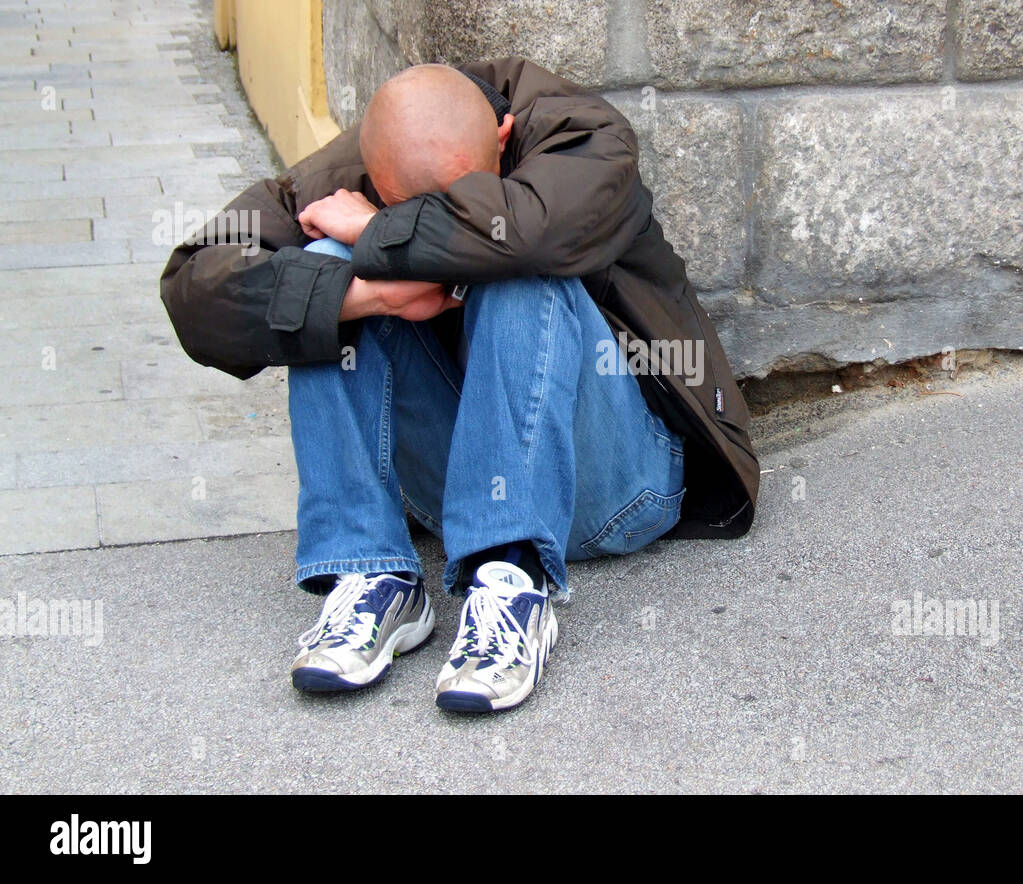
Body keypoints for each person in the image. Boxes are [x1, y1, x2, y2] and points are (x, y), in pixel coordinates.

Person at [160, 57, 759, 712]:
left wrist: (378, 231)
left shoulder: (581, 134)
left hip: (620, 481)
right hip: (453, 489)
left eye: (458, 200)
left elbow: (531, 234)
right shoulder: (355, 164)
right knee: (321, 269)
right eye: (400, 207)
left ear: (502, 138)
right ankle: (371, 575)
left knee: (523, 268)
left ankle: (510, 582)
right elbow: (195, 281)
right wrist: (367, 296)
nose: (428, 220)